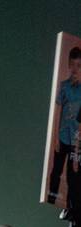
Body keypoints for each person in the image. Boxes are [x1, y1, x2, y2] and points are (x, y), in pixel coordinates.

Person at [47, 45, 81, 215]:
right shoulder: (64, 86)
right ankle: (51, 197)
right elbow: (58, 112)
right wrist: (54, 138)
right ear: (68, 64)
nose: (75, 69)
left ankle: (70, 208)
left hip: (76, 139)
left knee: (72, 176)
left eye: (79, 65)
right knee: (56, 171)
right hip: (62, 136)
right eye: (72, 65)